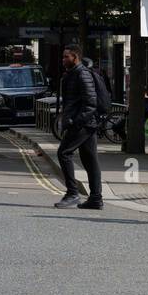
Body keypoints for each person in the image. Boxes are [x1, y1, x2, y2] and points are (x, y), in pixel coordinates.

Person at [53, 45, 103, 211]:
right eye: (62, 57)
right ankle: (95, 198)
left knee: (64, 153)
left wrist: (75, 122)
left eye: (66, 57)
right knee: (90, 160)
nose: (63, 60)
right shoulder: (73, 74)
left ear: (75, 57)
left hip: (83, 123)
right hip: (86, 123)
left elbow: (91, 104)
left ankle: (72, 193)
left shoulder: (82, 74)